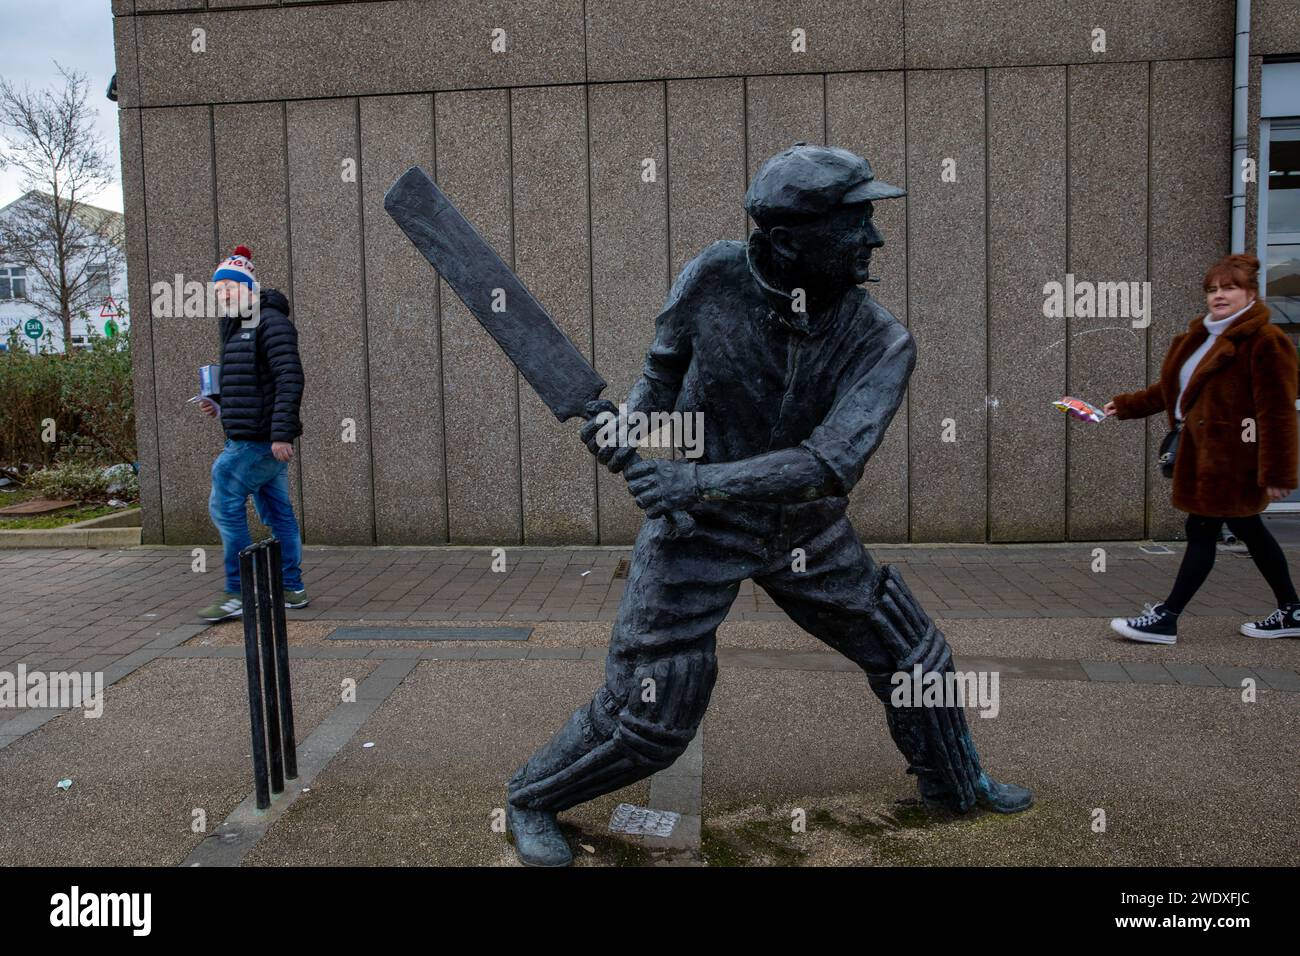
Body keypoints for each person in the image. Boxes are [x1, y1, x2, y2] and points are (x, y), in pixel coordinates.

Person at [505, 144, 1032, 867]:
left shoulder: (881, 341)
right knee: (654, 711)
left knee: (916, 658)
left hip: (805, 529)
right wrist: (626, 426)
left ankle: (955, 783)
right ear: (786, 239)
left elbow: (829, 465)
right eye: (856, 224)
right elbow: (662, 373)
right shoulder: (713, 276)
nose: (873, 240)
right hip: (697, 533)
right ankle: (532, 797)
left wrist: (692, 481)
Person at [1106, 254, 1299, 645]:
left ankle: (1167, 617)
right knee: (1249, 529)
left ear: (1251, 293)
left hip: (1235, 457)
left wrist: (1278, 472)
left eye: (1229, 288)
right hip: (1202, 455)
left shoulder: (1266, 342)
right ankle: (1292, 610)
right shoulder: (1200, 337)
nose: (1219, 295)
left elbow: (1277, 411)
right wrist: (1125, 405)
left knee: (1202, 529)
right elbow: (1173, 391)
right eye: (1212, 289)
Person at [196, 245, 308, 621]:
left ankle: (241, 592)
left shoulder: (270, 322)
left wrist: (281, 435)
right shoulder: (237, 326)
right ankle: (291, 588)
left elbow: (289, 378)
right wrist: (221, 406)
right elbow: (254, 385)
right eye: (218, 289)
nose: (223, 294)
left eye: (230, 286)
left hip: (260, 442)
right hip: (254, 435)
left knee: (224, 501)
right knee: (278, 513)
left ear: (249, 287)